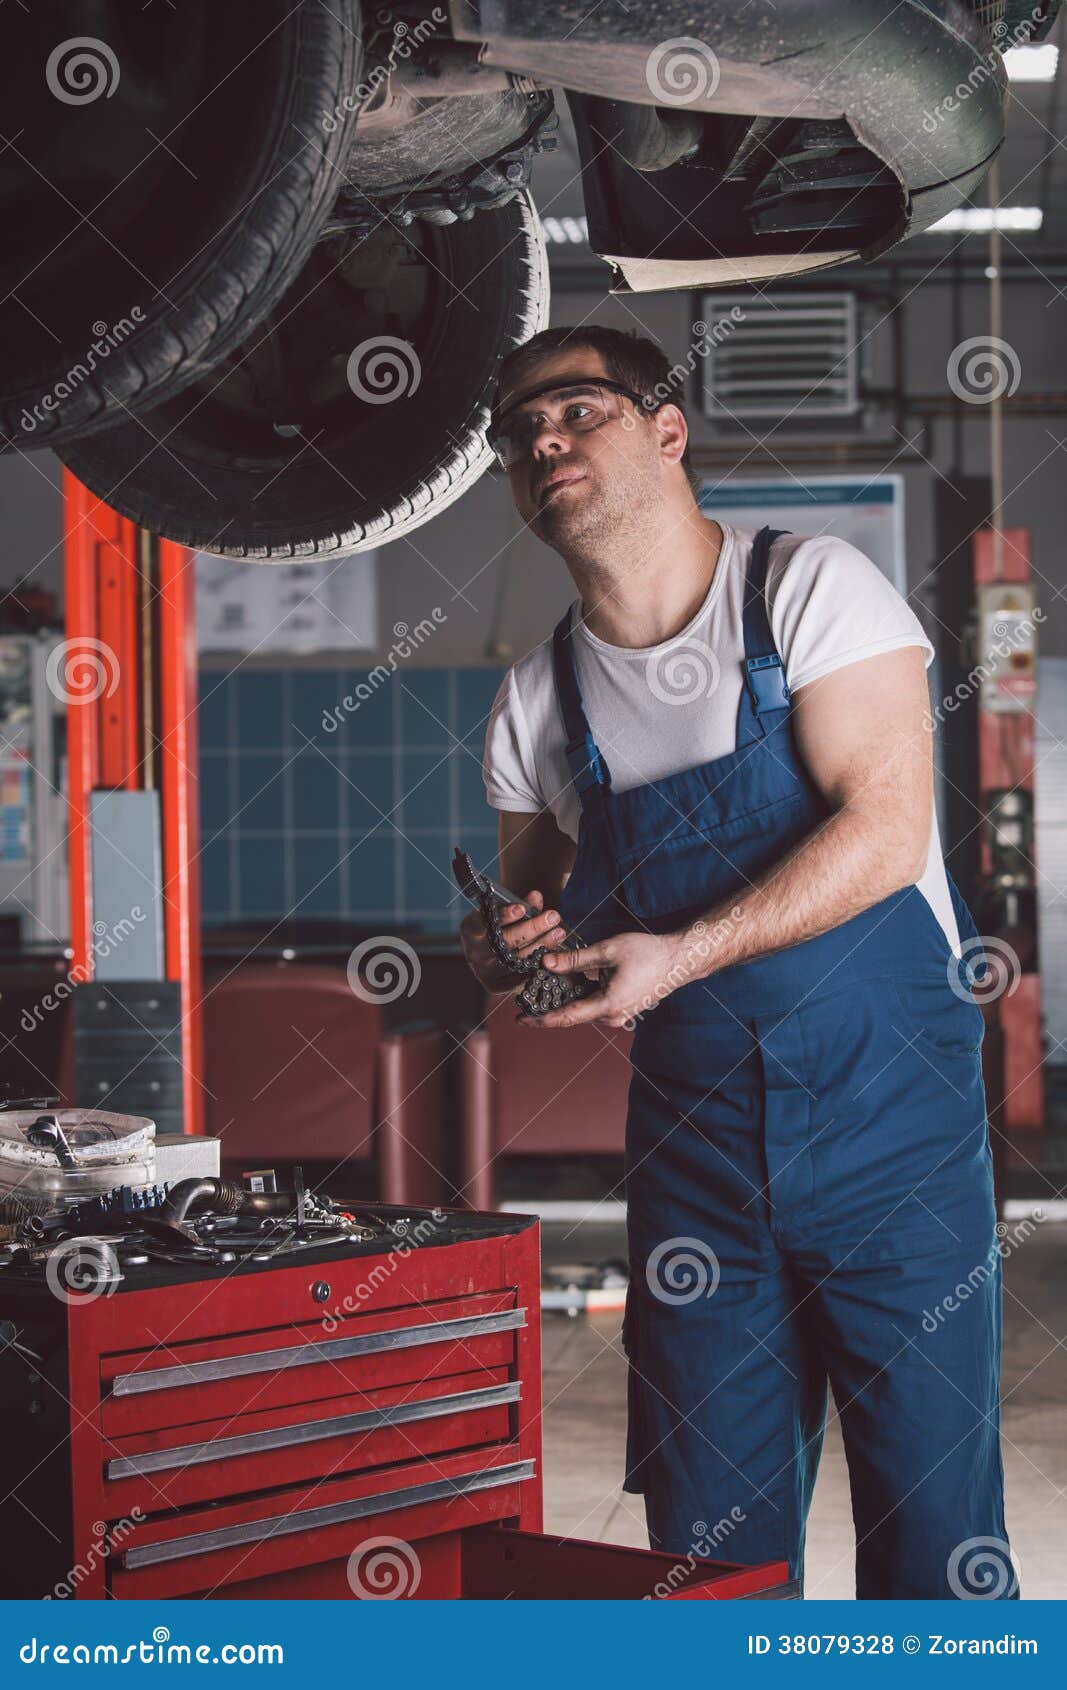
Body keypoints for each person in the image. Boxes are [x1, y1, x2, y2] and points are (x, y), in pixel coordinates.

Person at [460, 323, 1014, 1600]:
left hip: (892, 1143)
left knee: (934, 1522)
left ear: (667, 430)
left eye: (577, 410)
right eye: (517, 431)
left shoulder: (807, 593)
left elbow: (884, 834)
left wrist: (687, 950)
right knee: (706, 1549)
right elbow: (517, 926)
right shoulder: (540, 702)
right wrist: (501, 944)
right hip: (696, 1164)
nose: (542, 439)